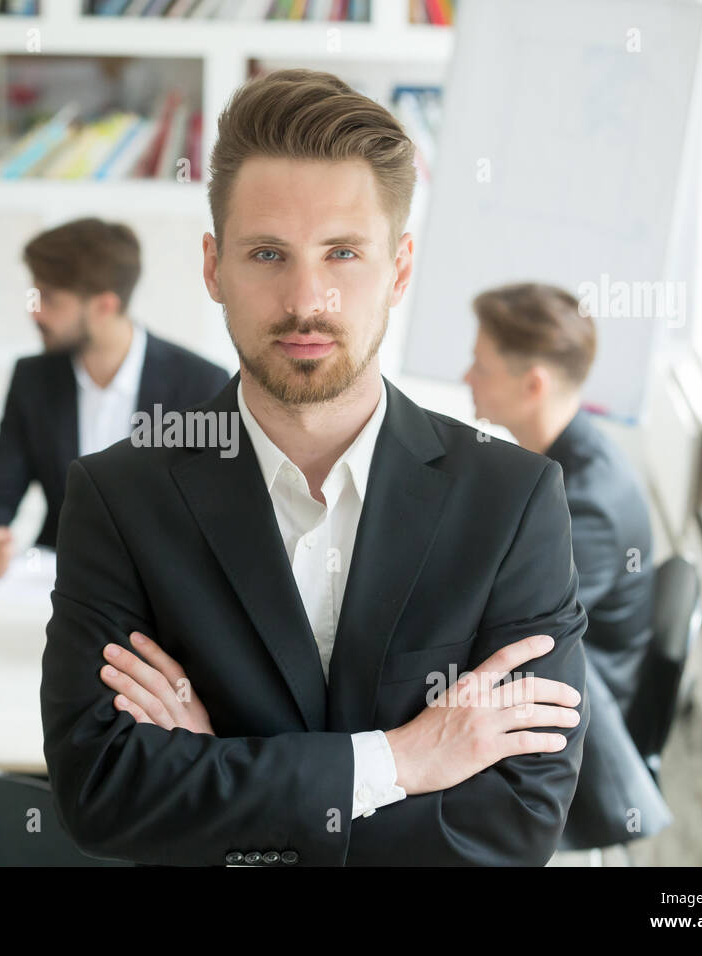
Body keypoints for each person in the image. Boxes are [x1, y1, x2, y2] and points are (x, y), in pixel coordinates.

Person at [40, 69, 590, 866]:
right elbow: (102, 791)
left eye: (342, 253)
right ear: (213, 268)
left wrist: (221, 776)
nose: (308, 299)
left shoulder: (512, 502)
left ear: (399, 270)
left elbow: (516, 822)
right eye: (268, 253)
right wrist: (402, 760)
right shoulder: (118, 498)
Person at [463, 282, 670, 848]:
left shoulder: (589, 498)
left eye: (480, 366)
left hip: (578, 730)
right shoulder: (564, 457)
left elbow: (508, 626)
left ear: (532, 385)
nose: (466, 377)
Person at [0, 217, 231, 581]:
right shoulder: (33, 380)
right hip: (55, 582)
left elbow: (221, 521)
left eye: (50, 299)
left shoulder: (202, 383)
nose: (35, 311)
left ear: (105, 306)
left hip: (163, 593)